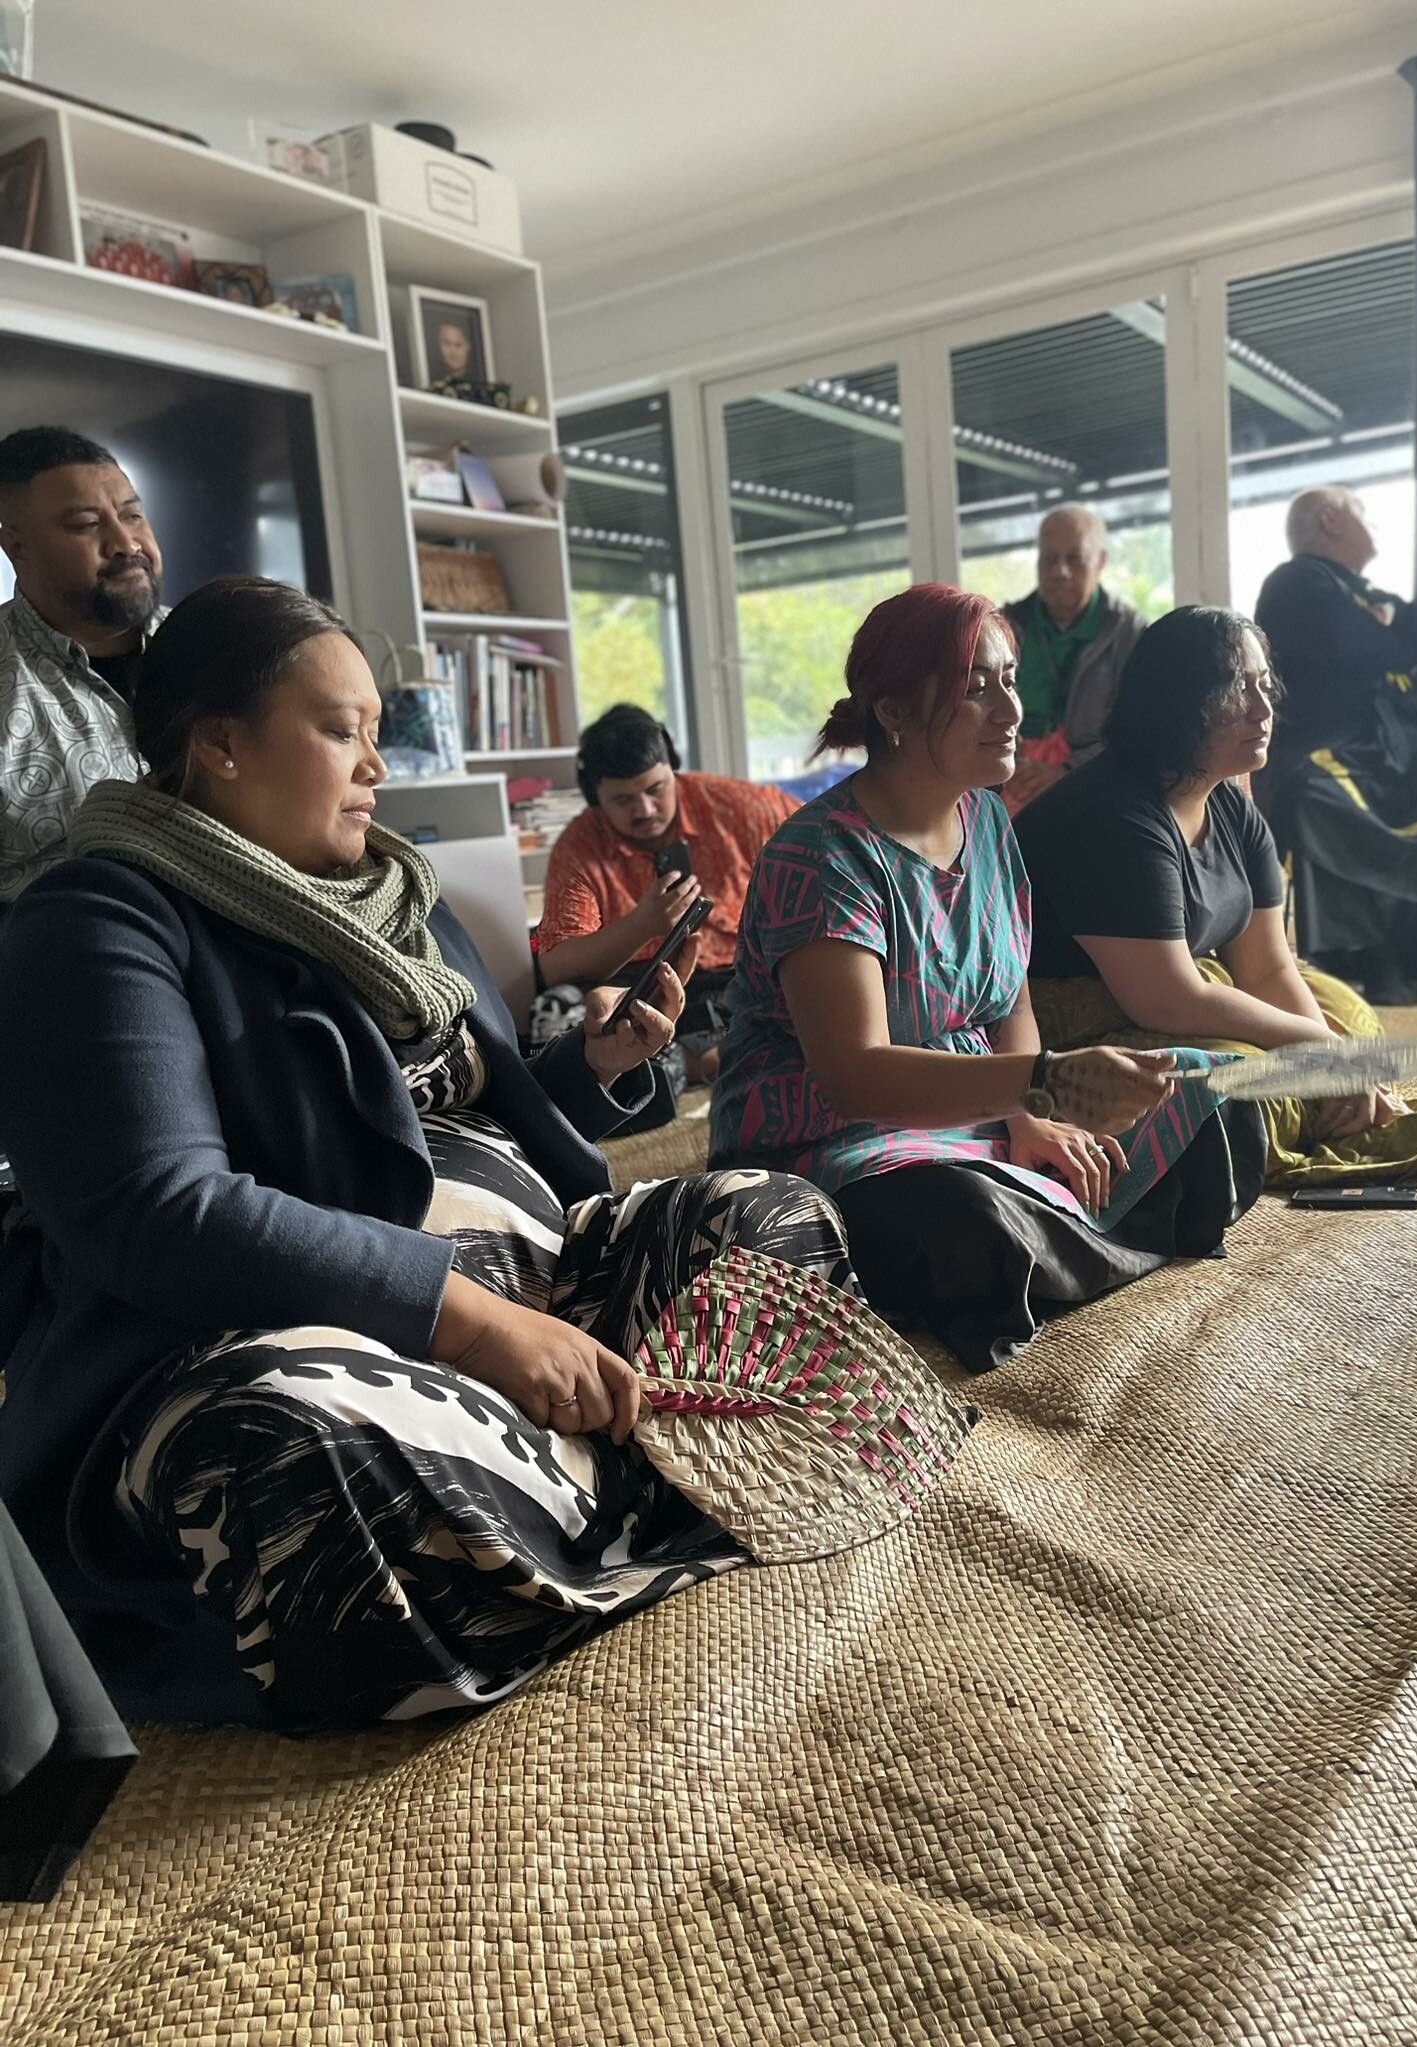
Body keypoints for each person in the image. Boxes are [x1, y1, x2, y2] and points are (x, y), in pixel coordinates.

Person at [0, 576, 951, 1733]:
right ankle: (640, 1464)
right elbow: (162, 1210)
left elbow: (460, 1109)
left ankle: (550, 1486)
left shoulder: (395, 895)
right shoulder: (98, 921)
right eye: (341, 731)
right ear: (220, 745)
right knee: (295, 1449)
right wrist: (470, 1324)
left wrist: (591, 1067)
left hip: (536, 1273)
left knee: (771, 1214)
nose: (376, 764)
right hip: (304, 1330)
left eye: (374, 731)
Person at [708, 584, 1268, 1376]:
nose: (1010, 710)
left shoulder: (988, 819)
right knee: (963, 1216)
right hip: (841, 1143)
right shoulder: (823, 855)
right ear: (895, 711)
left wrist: (1028, 1116)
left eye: (1009, 680)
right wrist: (1043, 1085)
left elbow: (1012, 1000)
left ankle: (1058, 1244)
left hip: (982, 1114)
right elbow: (856, 1077)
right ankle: (1076, 1235)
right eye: (977, 688)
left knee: (1216, 1096)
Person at [1014, 606, 1417, 1187]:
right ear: (1177, 703)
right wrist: (1322, 1053)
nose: (1263, 710)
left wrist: (1333, 1057)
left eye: (1264, 686)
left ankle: (1337, 1108)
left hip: (1185, 988)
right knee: (1245, 1081)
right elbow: (1168, 1001)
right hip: (1082, 1019)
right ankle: (1328, 1121)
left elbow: (1267, 968)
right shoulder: (1112, 816)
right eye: (1238, 689)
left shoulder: (1231, 808)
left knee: (1350, 1018)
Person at [1254, 485, 1417, 1004]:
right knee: (1312, 795)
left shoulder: (1373, 597)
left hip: (1405, 755)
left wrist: (1395, 621)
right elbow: (1348, 642)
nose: (1373, 525)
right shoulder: (1295, 583)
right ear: (1330, 520)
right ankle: (1374, 956)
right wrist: (1405, 647)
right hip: (1335, 751)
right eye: (1363, 513)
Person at [535, 702, 799, 1044]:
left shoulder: (739, 806)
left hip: (741, 976)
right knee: (557, 1010)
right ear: (594, 796)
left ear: (673, 770)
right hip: (636, 988)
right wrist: (642, 926)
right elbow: (556, 969)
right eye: (623, 800)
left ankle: (702, 1055)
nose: (645, 810)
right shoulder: (579, 845)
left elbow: (825, 844)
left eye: (655, 789)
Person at [0, 426, 164, 907]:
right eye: (86, 524)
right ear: (17, 547)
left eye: (132, 515)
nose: (126, 544)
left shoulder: (223, 648)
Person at [997, 503, 1147, 815]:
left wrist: (1066, 771)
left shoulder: (1129, 634)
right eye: (1049, 559)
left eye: (1075, 559)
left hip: (1097, 790)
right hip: (1011, 784)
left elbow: (1139, 729)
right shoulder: (1005, 626)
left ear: (1101, 562)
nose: (1060, 572)